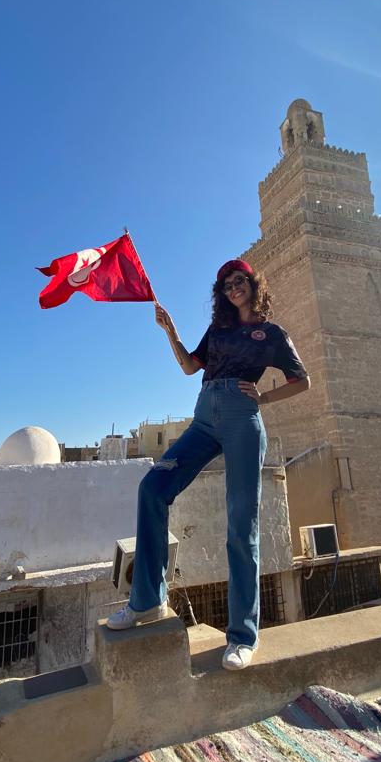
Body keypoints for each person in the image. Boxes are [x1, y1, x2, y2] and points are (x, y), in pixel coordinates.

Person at [106, 259, 310, 670]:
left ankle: (242, 636)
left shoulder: (270, 333)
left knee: (240, 524)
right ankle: (146, 601)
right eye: (226, 285)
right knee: (152, 488)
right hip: (203, 416)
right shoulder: (218, 329)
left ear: (253, 285)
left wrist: (263, 400)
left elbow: (301, 379)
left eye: (240, 281)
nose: (234, 288)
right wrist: (170, 330)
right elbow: (188, 366)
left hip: (241, 419)